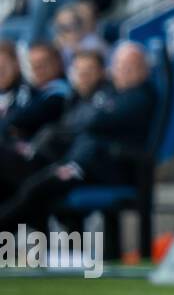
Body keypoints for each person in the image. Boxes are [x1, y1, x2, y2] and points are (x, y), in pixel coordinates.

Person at [0, 42, 157, 233]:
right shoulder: (108, 94)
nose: (124, 72)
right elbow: (83, 120)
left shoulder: (139, 96)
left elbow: (95, 120)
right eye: (120, 66)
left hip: (102, 168)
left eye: (131, 67)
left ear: (145, 70)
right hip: (81, 162)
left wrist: (89, 114)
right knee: (29, 185)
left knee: (35, 189)